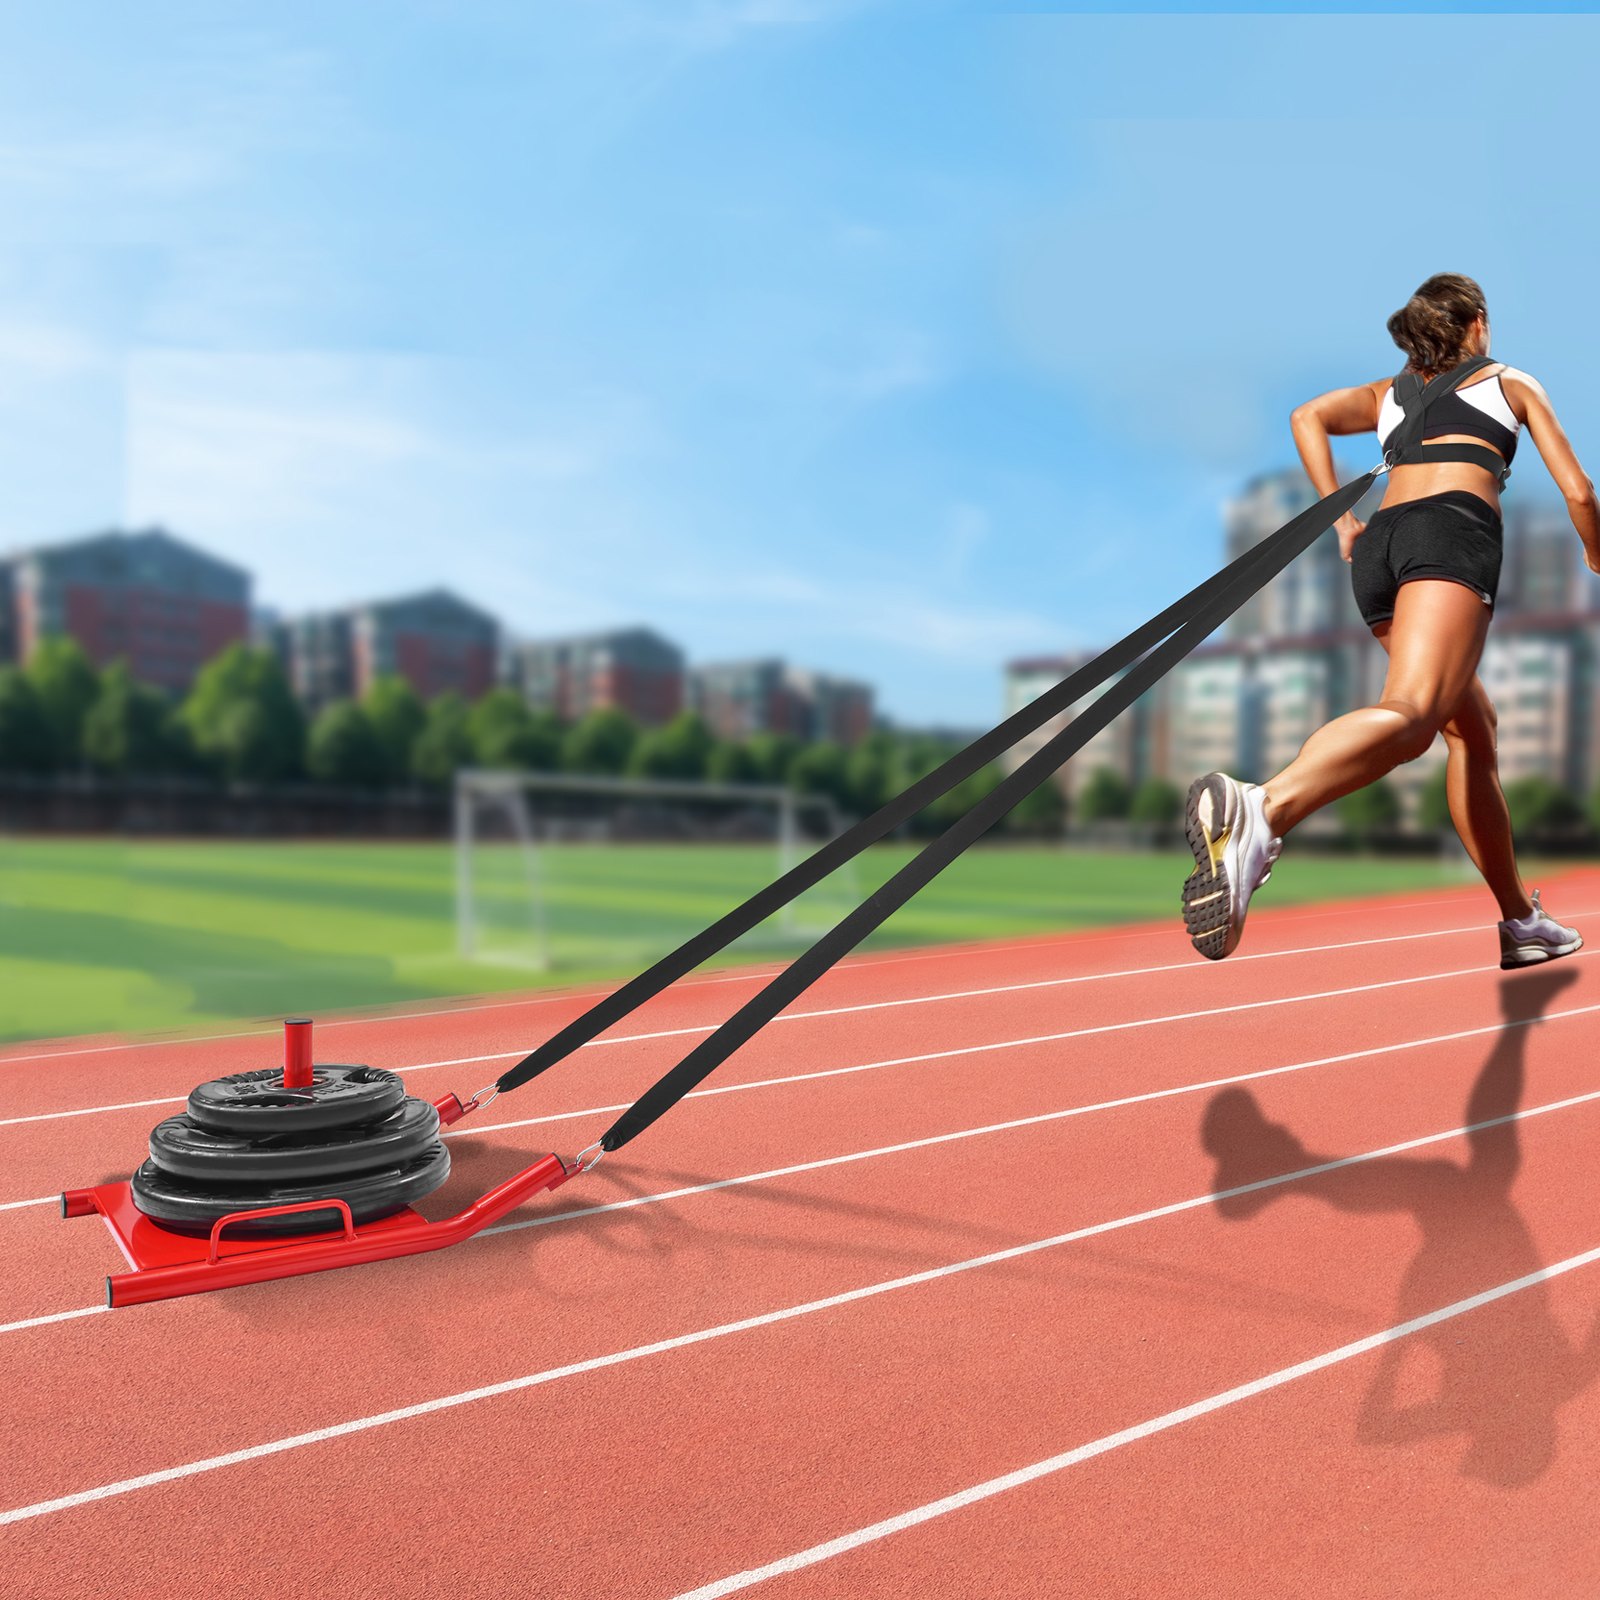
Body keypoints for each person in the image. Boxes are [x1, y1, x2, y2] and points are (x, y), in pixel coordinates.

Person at [1183, 273, 1597, 968]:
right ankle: (1265, 809)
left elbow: (1305, 416)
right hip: (1449, 535)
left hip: (1380, 549)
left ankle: (1520, 920)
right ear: (1478, 324)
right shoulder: (1511, 383)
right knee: (1412, 715)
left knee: (1473, 730)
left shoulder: (1387, 395)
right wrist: (1594, 552)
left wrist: (1341, 520)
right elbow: (1580, 490)